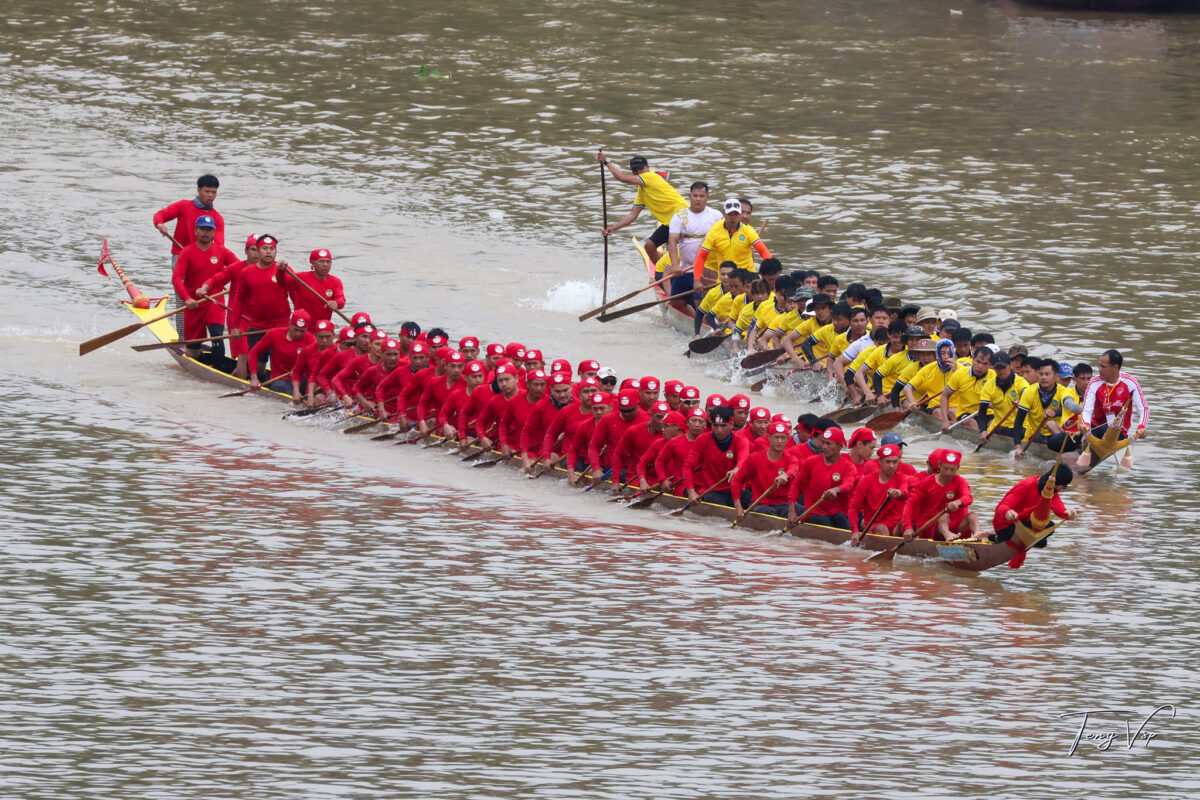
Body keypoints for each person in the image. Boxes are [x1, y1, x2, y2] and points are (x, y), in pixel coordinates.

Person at [170, 215, 239, 364]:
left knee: (217, 335)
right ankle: (196, 355)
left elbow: (239, 268)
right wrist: (187, 299)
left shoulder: (222, 252)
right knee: (193, 350)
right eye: (202, 229)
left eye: (209, 229)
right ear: (196, 231)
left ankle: (218, 367)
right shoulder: (187, 252)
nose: (205, 232)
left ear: (214, 232)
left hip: (214, 301)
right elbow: (176, 278)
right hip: (193, 305)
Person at [598, 153, 687, 265]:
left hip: (682, 217)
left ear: (647, 168)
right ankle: (662, 271)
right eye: (635, 170)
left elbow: (622, 178)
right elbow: (633, 215)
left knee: (672, 246)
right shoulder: (642, 191)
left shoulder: (651, 176)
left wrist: (607, 162)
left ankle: (676, 268)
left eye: (641, 169)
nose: (638, 172)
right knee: (649, 246)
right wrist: (614, 228)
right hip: (669, 223)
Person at [227, 235, 295, 378]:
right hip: (257, 326)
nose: (269, 251)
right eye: (264, 248)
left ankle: (278, 384)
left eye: (272, 249)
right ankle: (258, 381)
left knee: (280, 363)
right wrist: (235, 327)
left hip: (281, 326)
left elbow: (295, 292)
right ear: (258, 251)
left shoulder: (285, 270)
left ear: (276, 252)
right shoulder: (247, 272)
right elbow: (238, 301)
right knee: (258, 367)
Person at [662, 181, 724, 305]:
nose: (698, 199)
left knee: (701, 303)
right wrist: (675, 266)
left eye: (702, 196)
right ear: (689, 196)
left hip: (706, 270)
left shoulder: (716, 216)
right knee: (676, 303)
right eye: (695, 196)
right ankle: (692, 313)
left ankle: (700, 314)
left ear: (707, 198)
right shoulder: (679, 216)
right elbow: (672, 241)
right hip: (685, 268)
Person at [789, 425, 857, 529]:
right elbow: (796, 485)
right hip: (814, 512)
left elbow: (849, 484)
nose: (824, 447)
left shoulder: (848, 466)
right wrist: (792, 511)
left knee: (841, 519)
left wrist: (836, 489)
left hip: (838, 513)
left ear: (839, 446)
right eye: (823, 442)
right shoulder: (811, 462)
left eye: (828, 444)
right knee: (823, 521)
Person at [901, 450, 979, 541]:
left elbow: (968, 497)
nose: (948, 473)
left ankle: (977, 534)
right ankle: (947, 534)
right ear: (939, 465)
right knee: (944, 516)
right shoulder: (927, 482)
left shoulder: (961, 481)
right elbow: (910, 503)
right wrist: (907, 527)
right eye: (945, 469)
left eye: (952, 469)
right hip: (931, 526)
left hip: (954, 526)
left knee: (972, 515)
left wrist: (957, 502)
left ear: (958, 468)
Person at [691, 200, 772, 288]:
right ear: (724, 214)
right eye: (730, 214)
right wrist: (696, 280)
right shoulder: (715, 229)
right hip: (725, 280)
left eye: (736, 214)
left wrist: (769, 271)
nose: (733, 217)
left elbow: (763, 251)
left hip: (746, 280)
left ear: (740, 215)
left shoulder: (749, 231)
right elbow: (702, 256)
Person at [684, 406, 750, 507]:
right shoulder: (703, 440)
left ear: (731, 424)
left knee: (753, 499)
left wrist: (737, 469)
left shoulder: (741, 441)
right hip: (712, 491)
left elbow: (744, 458)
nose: (719, 430)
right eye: (715, 425)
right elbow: (688, 467)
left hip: (736, 491)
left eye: (723, 426)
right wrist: (691, 492)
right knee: (716, 502)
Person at [1078, 349, 1149, 443]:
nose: (1099, 369)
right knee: (1063, 438)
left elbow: (1143, 408)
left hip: (1119, 431)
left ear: (1115, 367)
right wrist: (1086, 425)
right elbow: (1087, 410)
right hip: (1096, 426)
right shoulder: (1094, 382)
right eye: (1099, 365)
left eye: (1103, 366)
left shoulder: (1130, 382)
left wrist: (1141, 427)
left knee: (1103, 431)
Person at [731, 421, 798, 520]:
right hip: (761, 505)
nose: (779, 441)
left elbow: (793, 470)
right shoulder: (754, 458)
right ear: (769, 437)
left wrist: (785, 475)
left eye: (783, 437)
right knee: (766, 513)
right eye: (776, 437)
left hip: (784, 505)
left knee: (805, 513)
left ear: (788, 438)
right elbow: (737, 480)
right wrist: (738, 507)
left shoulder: (792, 459)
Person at [848, 443, 911, 545]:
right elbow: (853, 507)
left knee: (908, 520)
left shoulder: (902, 478)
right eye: (888, 462)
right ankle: (888, 547)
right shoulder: (867, 481)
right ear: (880, 461)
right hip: (874, 525)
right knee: (881, 528)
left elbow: (905, 493)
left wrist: (899, 493)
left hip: (896, 527)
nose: (891, 466)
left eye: (895, 462)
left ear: (899, 461)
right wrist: (855, 531)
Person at [153, 174, 224, 260]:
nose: (210, 195)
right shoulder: (183, 206)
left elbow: (220, 246)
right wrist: (160, 224)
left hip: (201, 258)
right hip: (180, 254)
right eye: (207, 191)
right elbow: (160, 215)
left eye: (214, 192)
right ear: (198, 190)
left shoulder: (217, 218)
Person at [1011, 358, 1069, 458]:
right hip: (1035, 435)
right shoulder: (1029, 392)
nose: (1043, 378)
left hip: (1057, 432)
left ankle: (1067, 452)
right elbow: (1018, 423)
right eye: (1041, 374)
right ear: (1037, 375)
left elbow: (1069, 409)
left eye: (1047, 374)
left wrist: (1055, 412)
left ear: (1056, 376)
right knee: (1039, 437)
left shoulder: (1064, 392)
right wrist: (1018, 447)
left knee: (1051, 424)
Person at [246, 310, 315, 394]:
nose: (298, 334)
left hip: (302, 380)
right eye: (296, 330)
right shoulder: (274, 334)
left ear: (307, 328)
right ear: (290, 323)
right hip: (281, 380)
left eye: (302, 331)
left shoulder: (311, 340)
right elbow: (254, 353)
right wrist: (254, 378)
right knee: (285, 390)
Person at [288, 248, 346, 323]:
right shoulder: (300, 278)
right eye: (321, 261)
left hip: (322, 326)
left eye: (328, 261)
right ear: (313, 263)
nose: (325, 264)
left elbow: (341, 299)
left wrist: (336, 303)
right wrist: (280, 271)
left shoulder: (336, 282)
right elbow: (282, 283)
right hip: (302, 324)